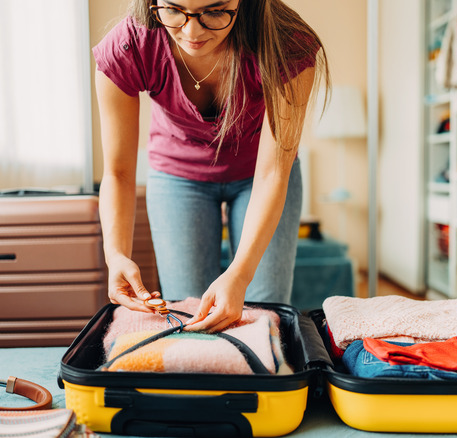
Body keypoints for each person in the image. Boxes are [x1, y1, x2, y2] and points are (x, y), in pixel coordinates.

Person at [93, 0, 330, 332]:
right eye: (174, 10)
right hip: (177, 174)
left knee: (263, 312)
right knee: (190, 311)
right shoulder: (129, 46)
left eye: (215, 11)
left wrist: (240, 273)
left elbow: (273, 171)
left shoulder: (287, 43)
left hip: (261, 175)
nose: (191, 32)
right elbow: (117, 173)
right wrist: (116, 254)